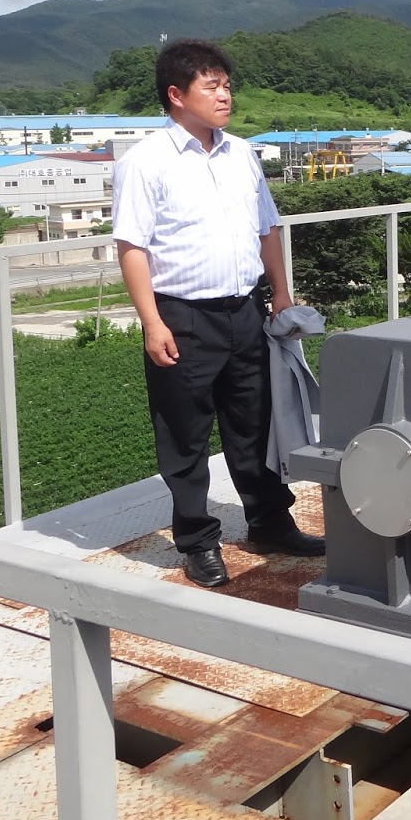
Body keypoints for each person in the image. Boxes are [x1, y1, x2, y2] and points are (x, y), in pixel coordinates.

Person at [113, 39, 325, 588]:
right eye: (212, 86)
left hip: (245, 311)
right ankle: (198, 542)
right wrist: (151, 322)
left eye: (227, 84)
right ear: (176, 94)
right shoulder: (145, 162)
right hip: (181, 316)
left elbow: (267, 228)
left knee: (252, 424)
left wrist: (280, 292)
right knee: (184, 435)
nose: (225, 94)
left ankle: (270, 523)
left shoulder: (243, 154)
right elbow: (131, 247)